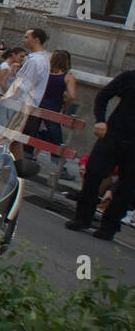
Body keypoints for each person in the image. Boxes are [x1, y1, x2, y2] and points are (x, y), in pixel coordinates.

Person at [67, 69, 135, 241]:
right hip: (114, 134)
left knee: (127, 186)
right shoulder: (130, 77)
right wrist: (100, 120)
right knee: (93, 172)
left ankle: (109, 226)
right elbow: (103, 95)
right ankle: (83, 217)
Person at [0, 28, 50, 158]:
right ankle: (17, 168)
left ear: (36, 39)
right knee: (15, 141)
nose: (24, 40)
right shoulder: (41, 58)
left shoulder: (35, 60)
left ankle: (7, 167)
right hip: (26, 105)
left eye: (27, 37)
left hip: (22, 105)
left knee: (8, 138)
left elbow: (23, 86)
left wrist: (7, 98)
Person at [25, 50, 76, 165]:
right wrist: (66, 104)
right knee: (56, 136)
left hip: (38, 104)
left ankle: (26, 156)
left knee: (31, 132)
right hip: (53, 108)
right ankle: (59, 165)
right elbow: (72, 96)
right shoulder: (68, 77)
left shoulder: (44, 73)